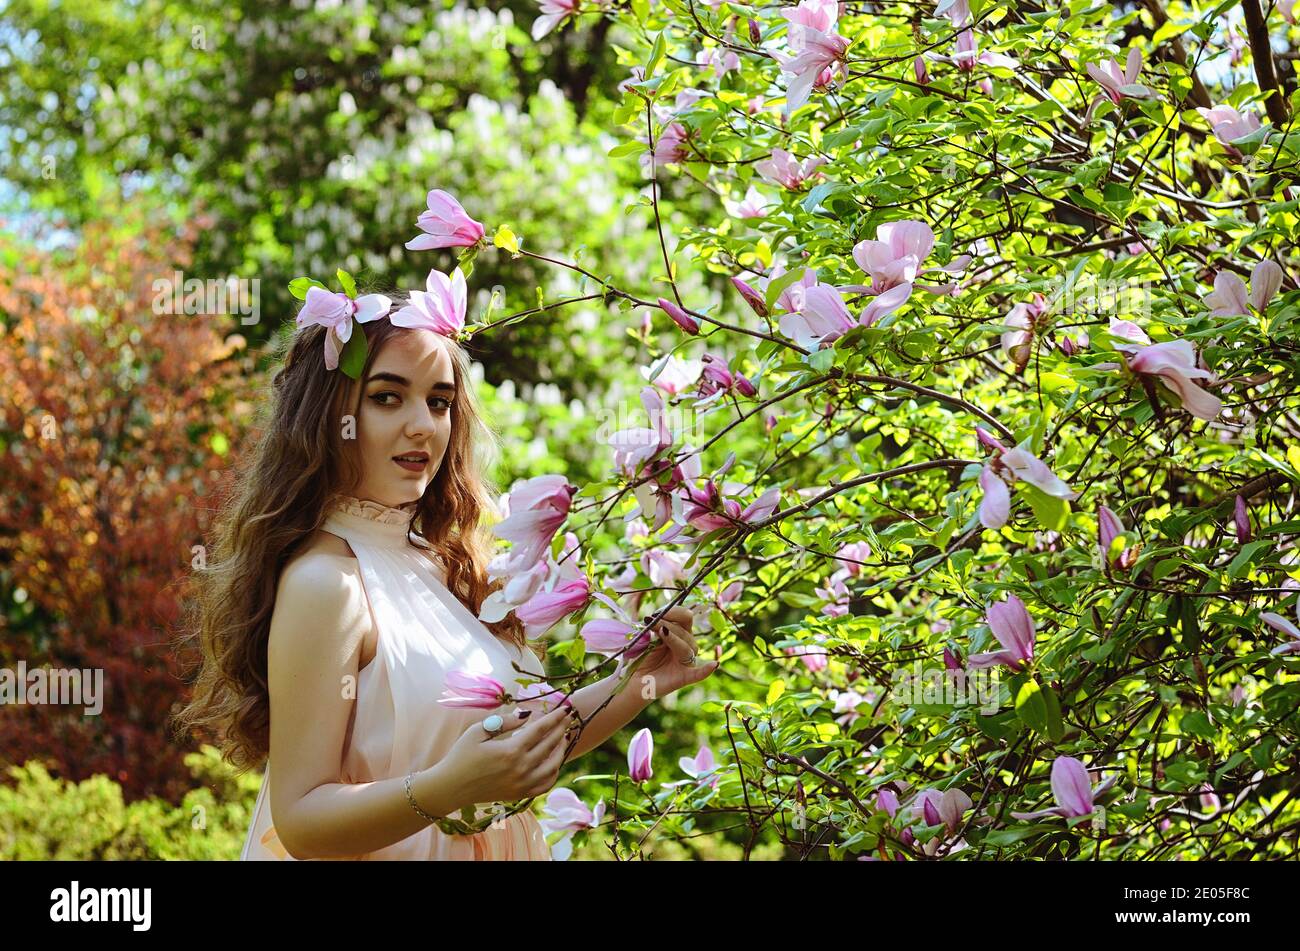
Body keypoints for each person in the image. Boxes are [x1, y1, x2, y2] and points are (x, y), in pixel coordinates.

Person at [173, 288, 713, 860]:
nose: (423, 427)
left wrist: (635, 684)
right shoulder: (327, 584)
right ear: (330, 415)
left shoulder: (441, 565)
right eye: (387, 398)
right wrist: (449, 788)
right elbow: (301, 821)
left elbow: (519, 748)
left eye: (438, 402)